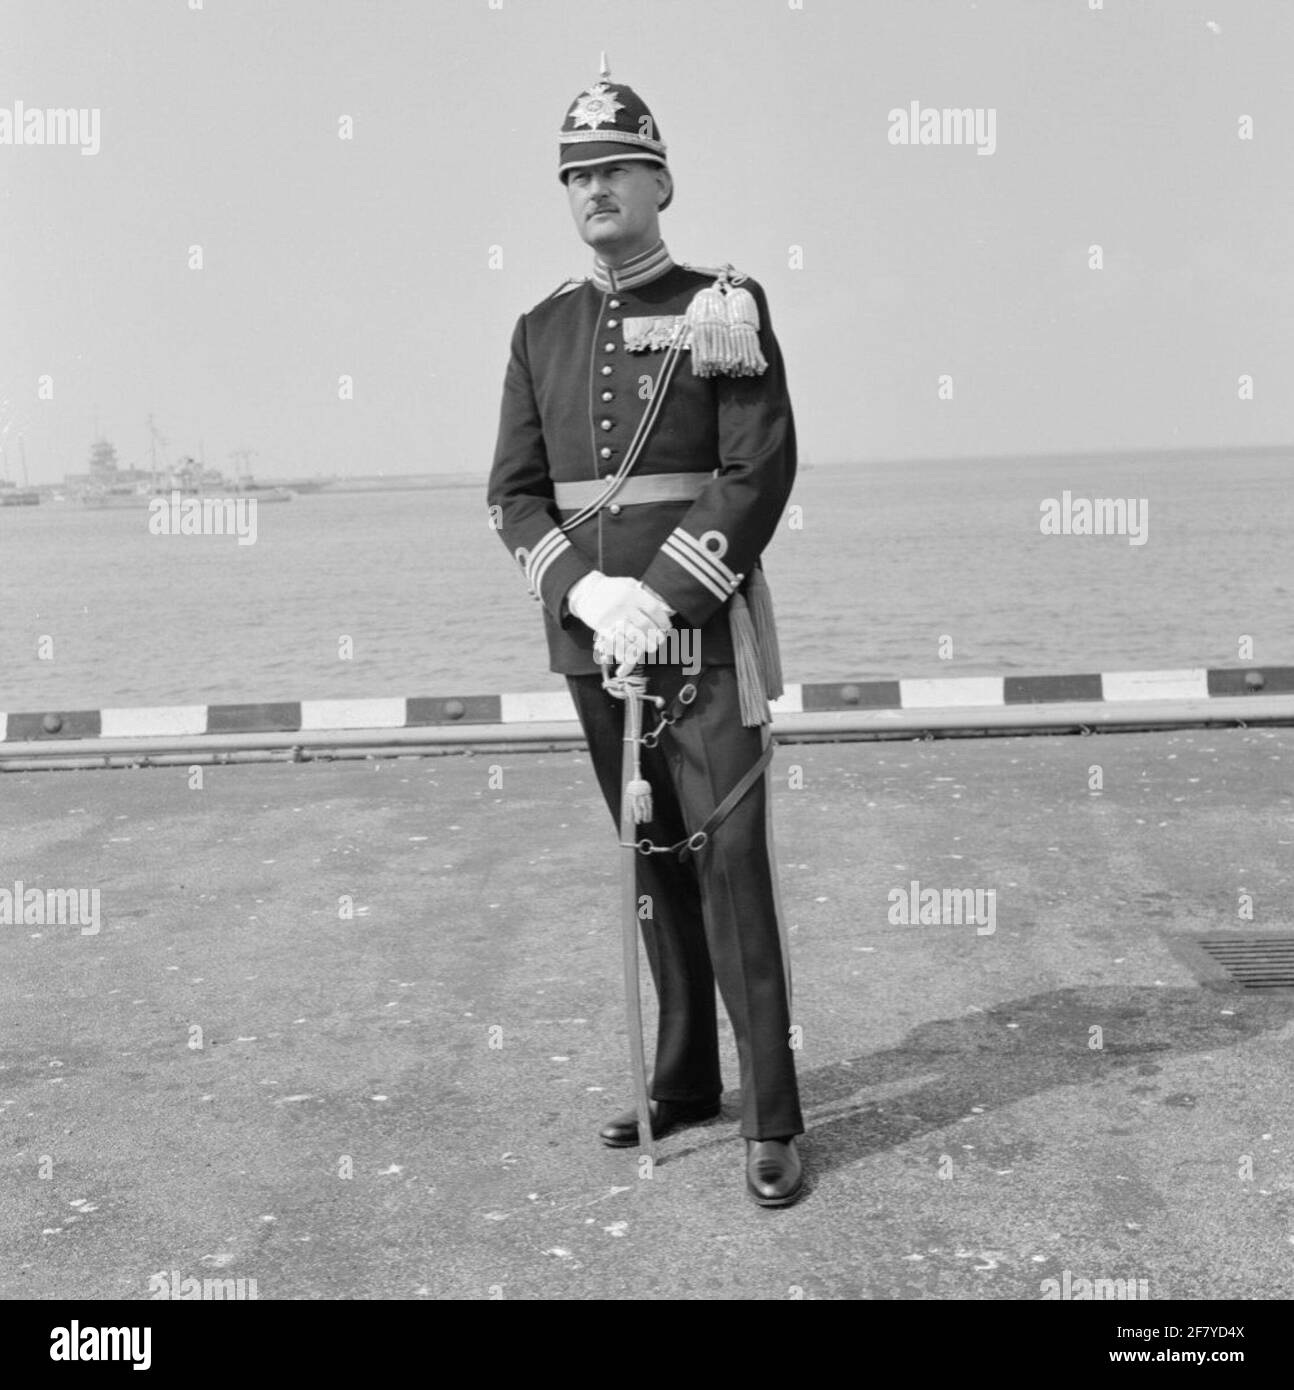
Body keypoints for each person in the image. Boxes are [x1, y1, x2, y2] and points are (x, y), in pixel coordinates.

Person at [487, 62, 804, 1207]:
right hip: (591, 645)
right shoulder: (541, 329)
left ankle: (772, 1112)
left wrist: (661, 594)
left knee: (727, 865)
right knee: (648, 860)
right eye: (574, 176)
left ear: (659, 180)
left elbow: (756, 470)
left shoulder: (725, 303)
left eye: (613, 168)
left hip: (698, 635)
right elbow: (513, 496)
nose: (592, 190)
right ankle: (682, 1084)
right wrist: (583, 592)